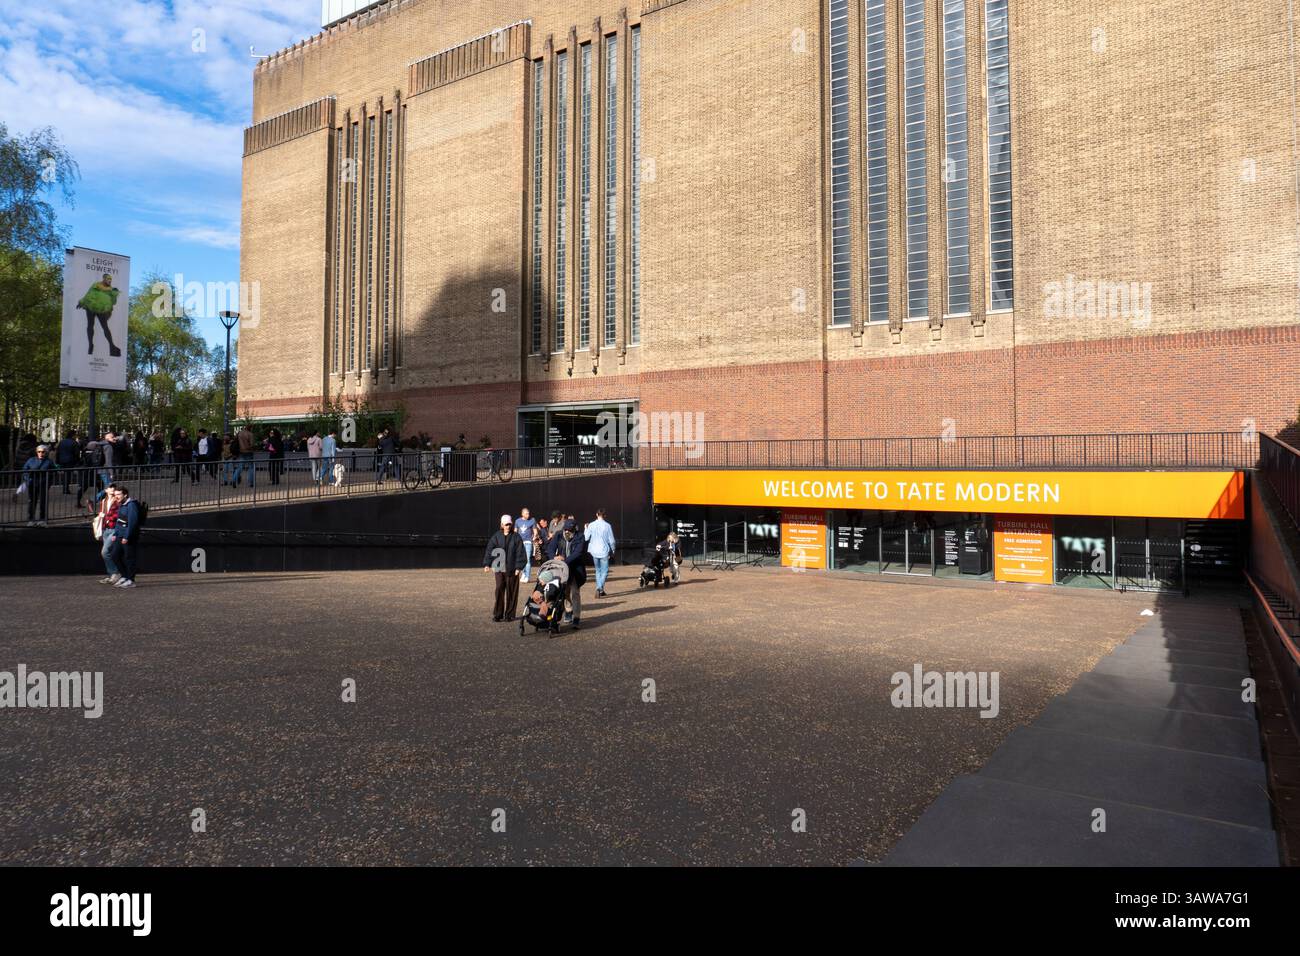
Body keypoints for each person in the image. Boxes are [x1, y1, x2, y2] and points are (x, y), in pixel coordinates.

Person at [482, 513, 526, 622]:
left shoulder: (516, 537)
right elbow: (489, 550)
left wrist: (519, 567)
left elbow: (521, 552)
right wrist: (487, 564)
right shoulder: (496, 536)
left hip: (512, 569)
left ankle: (510, 615)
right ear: (501, 524)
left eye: (510, 524)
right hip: (499, 568)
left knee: (512, 592)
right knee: (499, 590)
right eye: (506, 524)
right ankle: (498, 614)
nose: (508, 526)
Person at [546, 519, 588, 629]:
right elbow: (550, 548)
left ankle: (576, 618)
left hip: (575, 569)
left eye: (570, 530)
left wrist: (564, 560)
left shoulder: (580, 537)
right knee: (564, 592)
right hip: (561, 569)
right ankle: (568, 610)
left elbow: (578, 553)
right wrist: (554, 558)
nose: (567, 532)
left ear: (575, 530)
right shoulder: (558, 535)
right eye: (565, 529)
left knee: (575, 592)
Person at [77, 272, 122, 357]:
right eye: (108, 279)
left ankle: (111, 345)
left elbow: (113, 302)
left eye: (111, 279)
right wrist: (81, 302)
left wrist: (114, 296)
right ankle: (90, 344)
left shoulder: (111, 290)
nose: (110, 281)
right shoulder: (95, 285)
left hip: (101, 309)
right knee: (90, 325)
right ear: (104, 279)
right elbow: (88, 294)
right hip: (91, 306)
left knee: (105, 326)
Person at [107, 484, 142, 588]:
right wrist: (115, 534)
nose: (116, 496)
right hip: (119, 536)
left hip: (128, 537)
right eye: (115, 494)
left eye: (118, 494)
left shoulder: (131, 505)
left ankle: (131, 580)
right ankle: (124, 576)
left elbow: (132, 523)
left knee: (129, 558)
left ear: (125, 495)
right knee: (114, 555)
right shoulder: (121, 504)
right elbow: (119, 521)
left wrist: (126, 537)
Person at [584, 507, 616, 597]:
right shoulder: (607, 526)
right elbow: (612, 540)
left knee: (598, 570)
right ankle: (599, 587)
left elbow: (586, 538)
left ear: (596, 514)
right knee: (605, 571)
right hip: (604, 550)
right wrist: (613, 549)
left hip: (594, 551)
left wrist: (585, 528)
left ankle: (600, 590)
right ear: (604, 515)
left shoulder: (591, 525)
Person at [93, 483, 121, 584]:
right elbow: (102, 513)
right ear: (106, 490)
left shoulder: (117, 501)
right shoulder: (104, 501)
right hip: (105, 529)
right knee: (107, 553)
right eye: (110, 488)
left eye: (114, 487)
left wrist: (106, 516)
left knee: (104, 552)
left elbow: (118, 515)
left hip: (113, 529)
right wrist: (101, 516)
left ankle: (115, 573)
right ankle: (111, 574)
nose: (112, 489)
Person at [21, 443, 53, 526]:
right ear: (36, 452)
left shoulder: (49, 461)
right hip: (32, 484)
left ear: (46, 452)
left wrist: (49, 483)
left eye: (43, 452)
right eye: (39, 452)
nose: (41, 453)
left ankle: (42, 520)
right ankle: (31, 520)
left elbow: (53, 472)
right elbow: (24, 470)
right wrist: (28, 480)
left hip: (43, 484)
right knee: (32, 502)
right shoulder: (31, 460)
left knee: (43, 502)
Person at [515, 508, 537, 583]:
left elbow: (535, 531)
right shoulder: (517, 521)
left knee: (527, 559)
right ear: (522, 514)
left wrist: (534, 537)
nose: (528, 515)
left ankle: (527, 576)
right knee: (521, 559)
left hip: (528, 542)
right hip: (520, 543)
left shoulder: (532, 520)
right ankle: (523, 574)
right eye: (526, 513)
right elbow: (515, 531)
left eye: (528, 513)